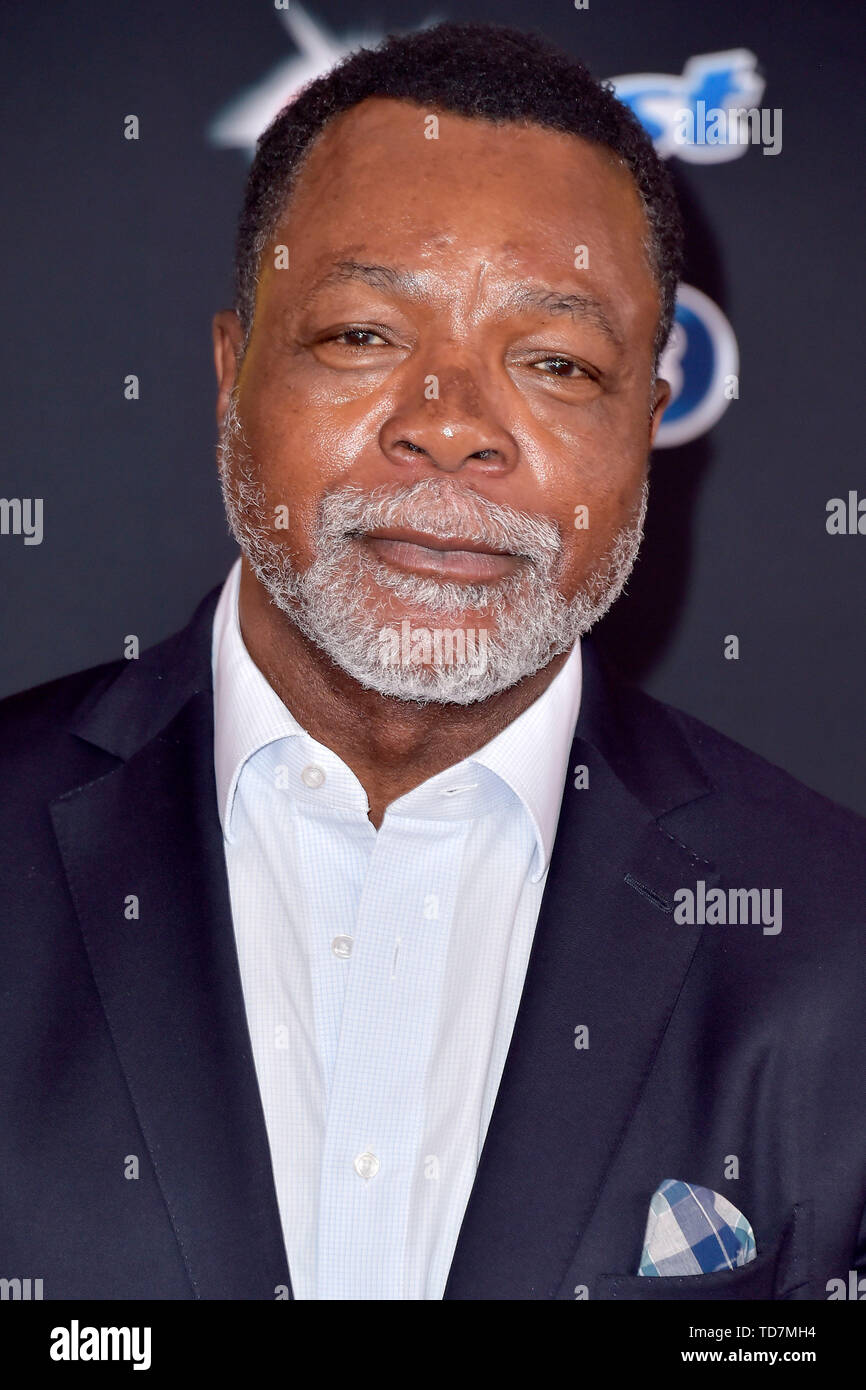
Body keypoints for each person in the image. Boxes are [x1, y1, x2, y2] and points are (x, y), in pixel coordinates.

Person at [1, 21, 863, 1301]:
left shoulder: (835, 944)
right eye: (362, 337)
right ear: (231, 373)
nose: (450, 428)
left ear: (648, 417)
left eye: (556, 362)